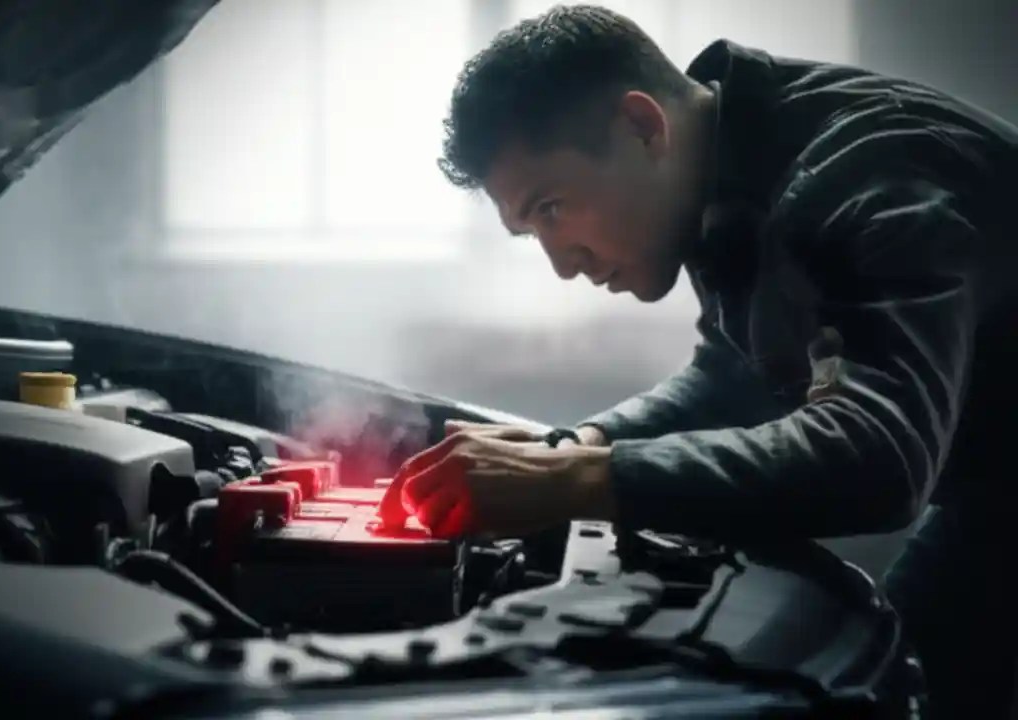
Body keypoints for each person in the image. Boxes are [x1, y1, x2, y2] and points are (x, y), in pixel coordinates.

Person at [376, 5, 1018, 717]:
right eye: (531, 233)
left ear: (642, 126)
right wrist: (577, 446)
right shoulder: (730, 164)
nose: (561, 265)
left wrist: (583, 479)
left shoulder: (872, 178)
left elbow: (878, 455)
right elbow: (736, 376)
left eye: (551, 207)